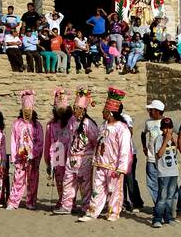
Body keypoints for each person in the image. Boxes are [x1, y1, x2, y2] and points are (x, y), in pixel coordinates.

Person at [79, 88, 131, 222]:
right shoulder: (103, 126)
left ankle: (113, 212)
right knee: (97, 189)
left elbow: (124, 149)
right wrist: (95, 160)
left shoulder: (122, 128)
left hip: (114, 166)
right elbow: (98, 144)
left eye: (105, 110)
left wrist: (121, 168)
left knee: (114, 190)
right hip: (100, 164)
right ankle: (92, 212)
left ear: (111, 112)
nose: (102, 112)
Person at [55, 89, 99, 215]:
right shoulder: (72, 121)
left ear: (84, 109)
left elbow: (95, 140)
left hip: (84, 158)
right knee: (68, 181)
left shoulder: (88, 124)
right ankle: (67, 205)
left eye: (78, 108)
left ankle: (86, 207)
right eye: (74, 107)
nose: (75, 110)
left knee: (84, 185)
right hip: (71, 157)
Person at [6, 90, 43, 210]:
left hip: (32, 158)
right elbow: (13, 141)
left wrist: (33, 154)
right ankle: (13, 201)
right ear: (22, 110)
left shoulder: (37, 126)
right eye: (25, 111)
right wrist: (14, 156)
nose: (27, 113)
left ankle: (31, 201)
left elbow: (40, 142)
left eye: (29, 111)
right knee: (18, 179)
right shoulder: (17, 124)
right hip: (20, 157)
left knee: (33, 180)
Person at [151, 117, 180, 228]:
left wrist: (175, 142)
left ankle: (168, 218)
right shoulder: (158, 139)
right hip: (163, 172)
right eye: (165, 128)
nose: (167, 130)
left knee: (170, 196)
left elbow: (174, 154)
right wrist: (165, 141)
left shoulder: (173, 139)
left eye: (169, 128)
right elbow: (159, 154)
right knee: (162, 197)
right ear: (161, 129)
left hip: (174, 171)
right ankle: (157, 219)